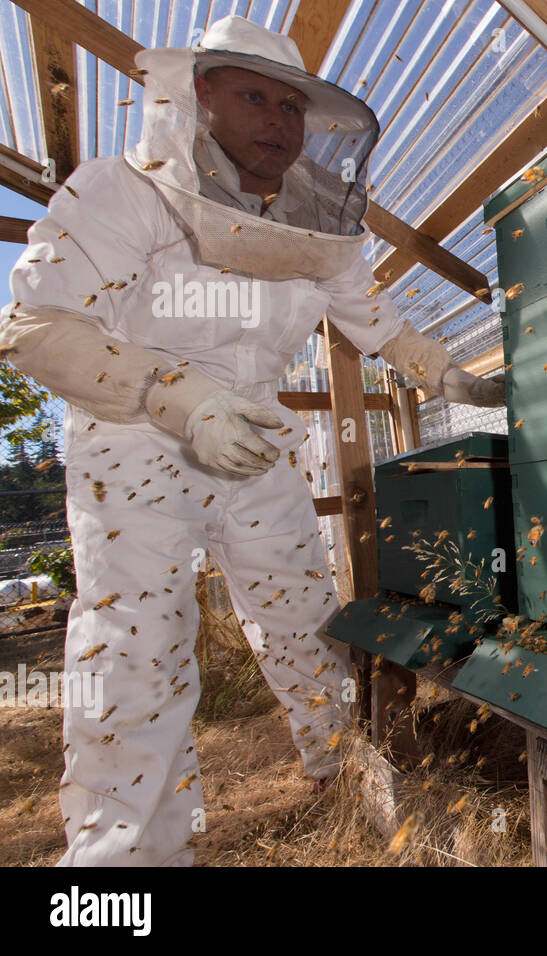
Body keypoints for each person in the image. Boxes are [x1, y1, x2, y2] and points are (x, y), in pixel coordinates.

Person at [0, 16, 504, 866]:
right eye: (254, 97)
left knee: (309, 621)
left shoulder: (316, 219)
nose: (278, 119)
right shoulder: (116, 191)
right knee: (134, 654)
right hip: (136, 442)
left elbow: (376, 322)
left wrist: (449, 376)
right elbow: (37, 327)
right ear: (198, 97)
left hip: (261, 441)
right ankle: (125, 867)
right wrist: (179, 397)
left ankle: (342, 775)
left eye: (292, 105)